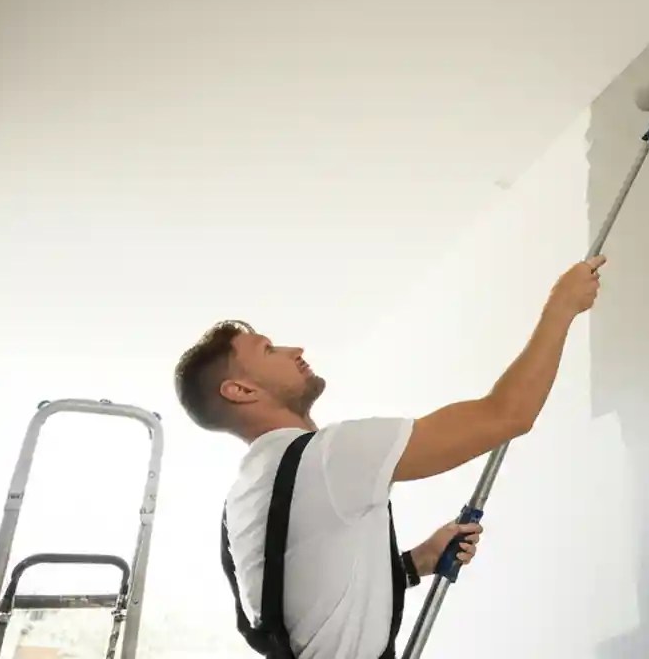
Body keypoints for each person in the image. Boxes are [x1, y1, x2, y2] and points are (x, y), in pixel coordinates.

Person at [172, 256, 606, 658]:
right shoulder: (326, 457)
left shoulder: (244, 498)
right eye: (269, 350)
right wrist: (561, 306)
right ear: (241, 391)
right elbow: (507, 415)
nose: (296, 349)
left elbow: (302, 614)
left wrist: (417, 563)